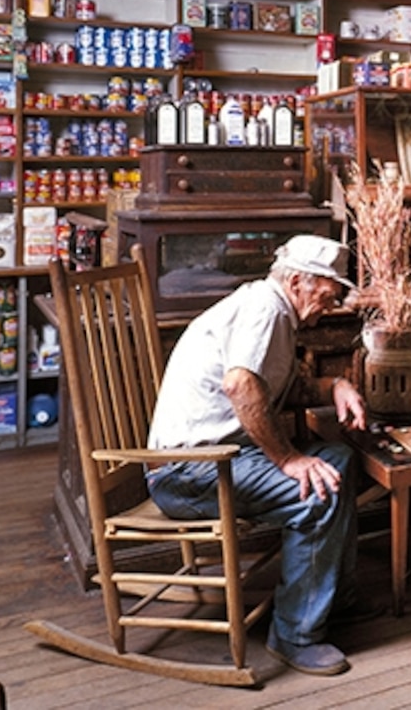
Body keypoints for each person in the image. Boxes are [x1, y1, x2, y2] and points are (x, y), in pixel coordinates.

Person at [146, 234, 370, 676]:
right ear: (298, 281)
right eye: (329, 293)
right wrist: (288, 459)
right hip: (188, 473)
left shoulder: (276, 311)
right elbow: (241, 385)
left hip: (220, 461)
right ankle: (295, 635)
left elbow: (284, 388)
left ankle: (330, 600)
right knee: (316, 493)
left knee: (339, 460)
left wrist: (337, 386)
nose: (332, 304)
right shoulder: (265, 309)